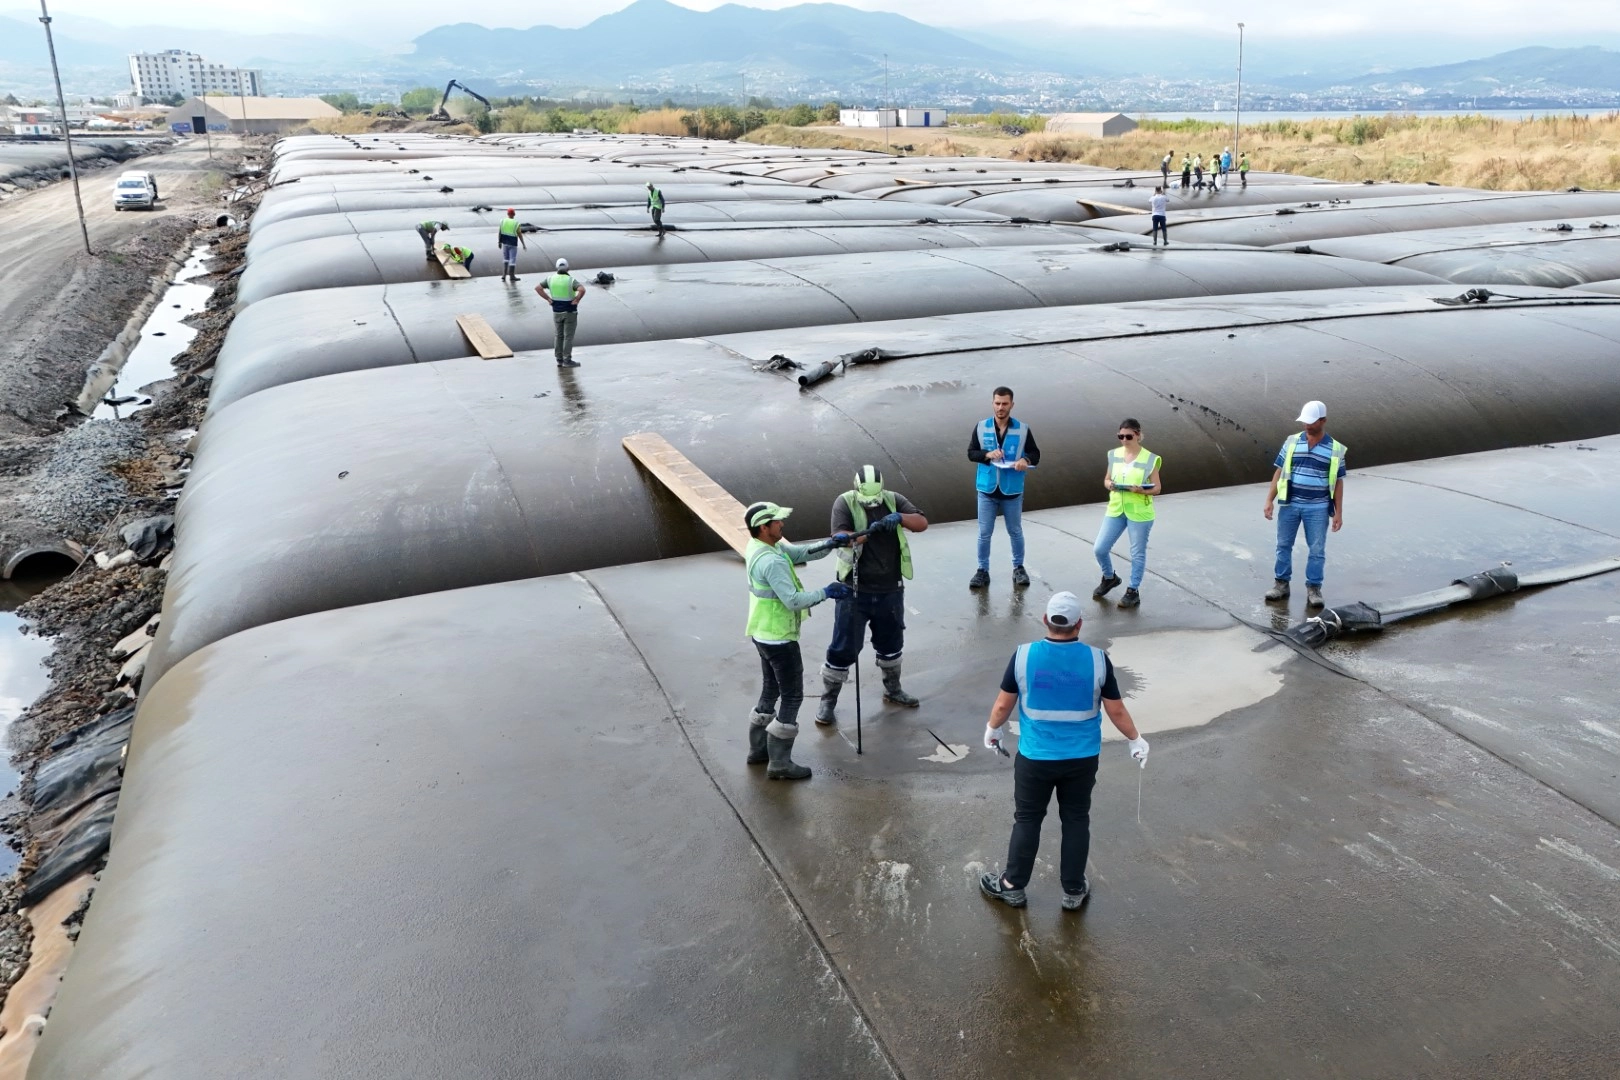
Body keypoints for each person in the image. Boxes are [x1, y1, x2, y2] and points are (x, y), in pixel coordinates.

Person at [979, 591, 1148, 910]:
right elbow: (1117, 711)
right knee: (1075, 819)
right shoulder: (1098, 660)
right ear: (1079, 624)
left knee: (1027, 819)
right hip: (1081, 759)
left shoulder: (1024, 656)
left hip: (1035, 758)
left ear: (1045, 620)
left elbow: (1004, 704)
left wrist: (993, 729)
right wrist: (1134, 739)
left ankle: (1012, 885)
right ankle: (1073, 890)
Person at [743, 501, 853, 780]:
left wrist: (831, 543)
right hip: (779, 638)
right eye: (777, 522)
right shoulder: (771, 561)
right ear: (763, 527)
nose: (782, 524)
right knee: (792, 696)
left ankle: (758, 751)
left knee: (771, 690)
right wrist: (827, 592)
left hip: (761, 633)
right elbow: (793, 601)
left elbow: (800, 552)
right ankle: (779, 763)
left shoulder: (762, 547)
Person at [817, 465, 929, 723]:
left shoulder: (893, 499)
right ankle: (827, 702)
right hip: (854, 589)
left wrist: (899, 517)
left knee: (891, 643)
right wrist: (863, 535)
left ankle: (893, 690)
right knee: (844, 647)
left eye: (875, 500)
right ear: (857, 490)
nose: (872, 504)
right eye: (867, 501)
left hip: (890, 587)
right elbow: (839, 536)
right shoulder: (844, 502)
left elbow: (921, 523)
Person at [1263, 400, 1347, 609]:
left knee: (1317, 549)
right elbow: (1279, 471)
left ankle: (1314, 588)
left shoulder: (1335, 449)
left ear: (1323, 420)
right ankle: (1281, 584)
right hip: (1290, 504)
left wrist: (1338, 512)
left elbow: (1338, 481)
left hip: (1317, 507)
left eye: (1311, 422)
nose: (1307, 426)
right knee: (1283, 545)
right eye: (1305, 422)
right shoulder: (1292, 442)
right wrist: (1269, 500)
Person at [968, 386, 1039, 590]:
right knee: (984, 533)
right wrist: (987, 455)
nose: (1000, 407)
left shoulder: (1023, 429)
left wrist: (1025, 459)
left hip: (1012, 489)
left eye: (1005, 403)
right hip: (987, 489)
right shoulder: (981, 427)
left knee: (1015, 531)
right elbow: (971, 453)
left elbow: (1035, 454)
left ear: (1012, 405)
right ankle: (982, 570)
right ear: (993, 403)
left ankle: (1018, 567)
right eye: (997, 403)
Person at [1092, 418, 1163, 609]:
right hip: (1116, 508)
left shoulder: (1150, 458)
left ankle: (1133, 590)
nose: (1124, 440)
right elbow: (1106, 480)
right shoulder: (1114, 455)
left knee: (1137, 553)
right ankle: (1109, 577)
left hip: (1139, 512)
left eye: (1128, 436)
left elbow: (1157, 488)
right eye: (1120, 436)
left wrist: (1142, 491)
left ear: (1138, 435)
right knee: (1099, 548)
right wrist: (1110, 485)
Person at [537, 257, 586, 368]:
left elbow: (538, 288)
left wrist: (548, 299)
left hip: (556, 311)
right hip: (569, 311)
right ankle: (567, 360)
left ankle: (559, 359)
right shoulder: (570, 280)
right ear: (568, 268)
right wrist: (577, 299)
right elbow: (582, 290)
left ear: (557, 267)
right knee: (568, 336)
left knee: (558, 335)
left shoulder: (550, 279)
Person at [497, 208, 526, 283]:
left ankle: (504, 275)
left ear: (507, 214)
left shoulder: (502, 221)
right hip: (513, 243)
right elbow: (519, 234)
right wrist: (523, 244)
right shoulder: (516, 223)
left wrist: (499, 242)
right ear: (514, 214)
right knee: (512, 259)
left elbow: (500, 232)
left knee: (505, 259)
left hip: (504, 243)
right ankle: (511, 276)